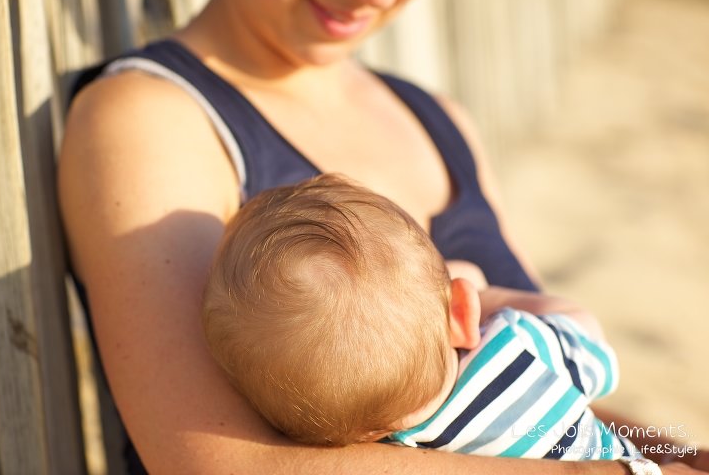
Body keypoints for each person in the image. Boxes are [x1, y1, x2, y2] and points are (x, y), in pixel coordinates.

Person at [58, 0, 707, 473]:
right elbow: (217, 463)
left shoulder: (436, 118)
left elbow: (549, 402)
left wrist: (677, 451)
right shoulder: (150, 117)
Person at [201, 173, 640, 460]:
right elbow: (587, 335)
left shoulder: (393, 451)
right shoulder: (519, 346)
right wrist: (485, 296)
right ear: (463, 312)